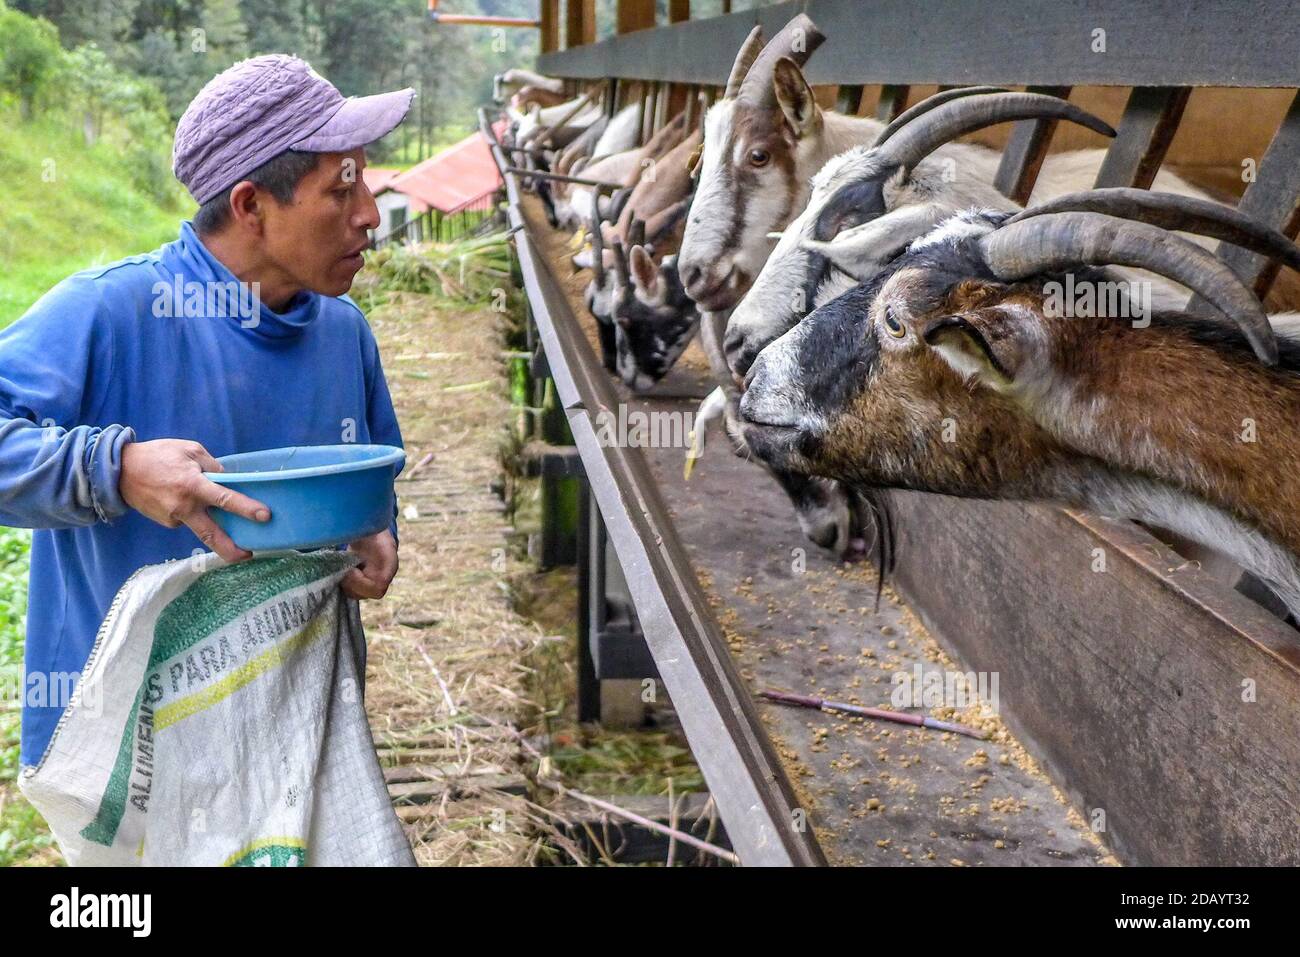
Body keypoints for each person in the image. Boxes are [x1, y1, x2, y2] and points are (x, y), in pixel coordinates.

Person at [0, 55, 414, 767]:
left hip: (294, 739)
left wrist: (378, 532)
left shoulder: (344, 334)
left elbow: (373, 475)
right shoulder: (110, 312)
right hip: (133, 756)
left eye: (366, 182)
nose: (370, 214)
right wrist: (117, 468)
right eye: (340, 190)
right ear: (251, 205)